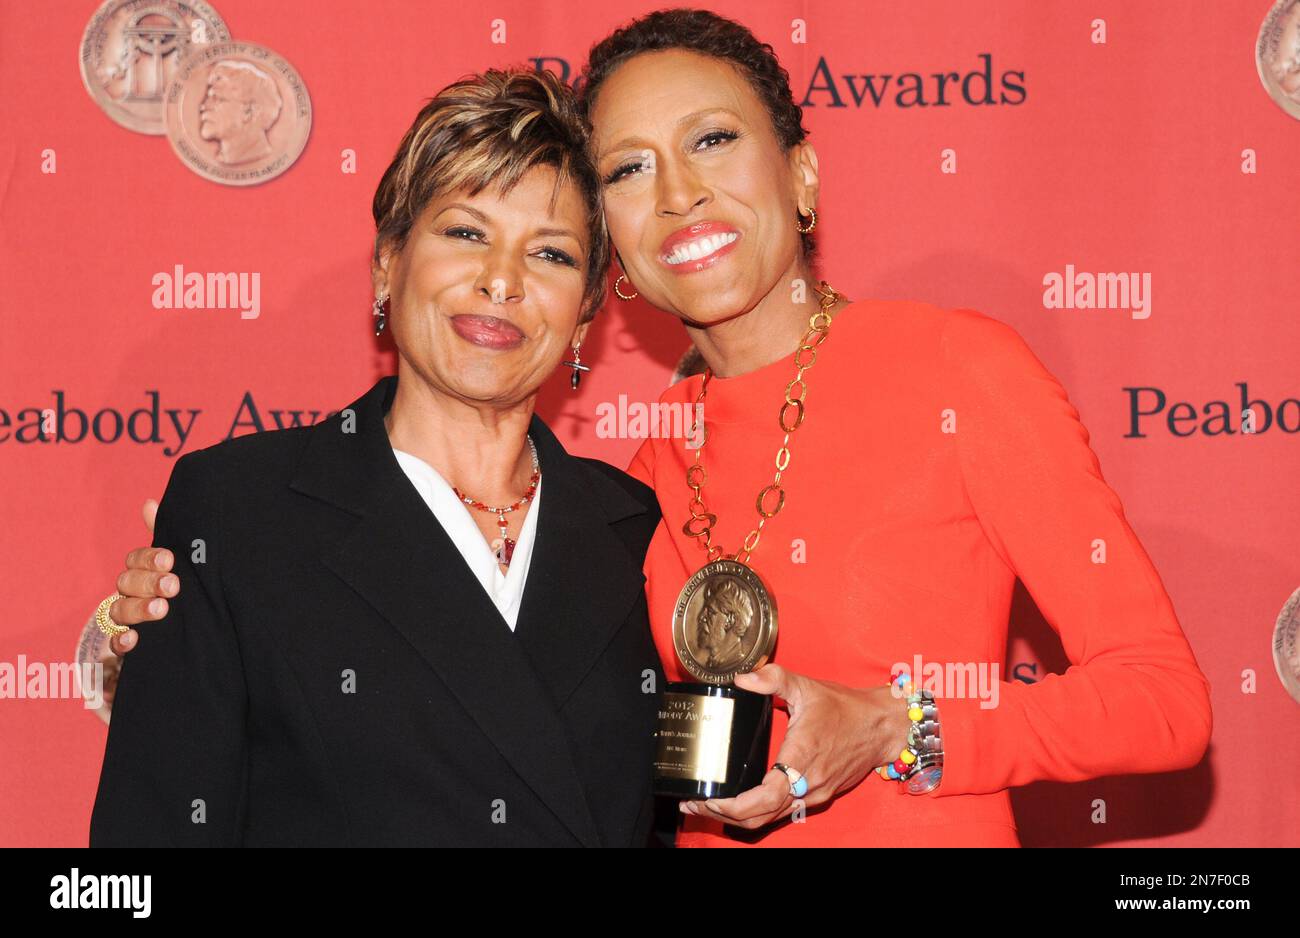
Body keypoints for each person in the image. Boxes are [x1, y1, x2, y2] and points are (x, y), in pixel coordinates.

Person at [91, 9, 1213, 847]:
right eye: (630, 167)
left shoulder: (957, 366)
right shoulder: (634, 484)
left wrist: (900, 727)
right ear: (614, 253)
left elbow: (1165, 700)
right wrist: (195, 600)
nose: (678, 194)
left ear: (804, 174)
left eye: (714, 142)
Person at [88, 69, 664, 847]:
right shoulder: (239, 513)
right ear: (388, 264)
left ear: (587, 310)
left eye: (552, 255)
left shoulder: (637, 533)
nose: (502, 279)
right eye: (465, 233)